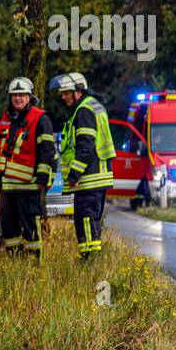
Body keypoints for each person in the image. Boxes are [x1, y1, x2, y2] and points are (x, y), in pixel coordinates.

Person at [0, 77, 57, 258]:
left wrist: (42, 179)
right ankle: (14, 261)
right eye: (14, 95)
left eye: (22, 95)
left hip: (29, 187)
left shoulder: (41, 119)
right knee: (9, 229)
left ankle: (34, 264)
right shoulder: (2, 120)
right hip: (6, 188)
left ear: (30, 97)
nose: (18, 98)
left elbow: (47, 152)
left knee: (31, 228)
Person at [49, 72, 114, 258]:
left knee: (85, 220)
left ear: (78, 91)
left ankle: (90, 260)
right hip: (95, 178)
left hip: (89, 179)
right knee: (90, 220)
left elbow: (86, 146)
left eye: (66, 92)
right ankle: (91, 258)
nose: (63, 97)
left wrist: (74, 175)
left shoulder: (83, 111)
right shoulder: (91, 106)